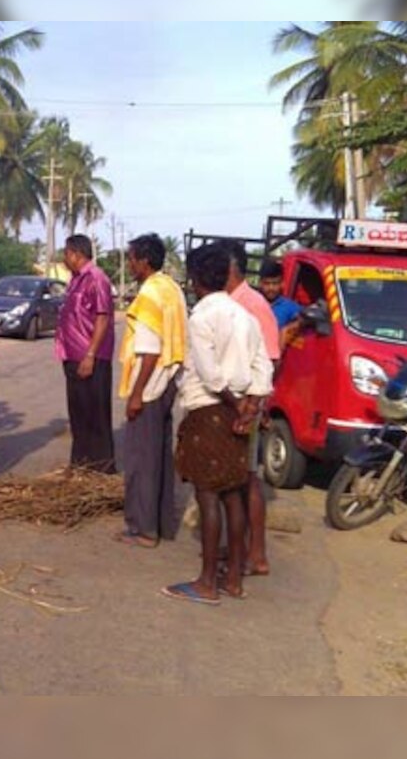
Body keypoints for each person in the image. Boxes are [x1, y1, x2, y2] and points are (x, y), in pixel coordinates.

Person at [163, 243, 272, 605]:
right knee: (233, 494)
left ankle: (208, 582)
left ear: (195, 280)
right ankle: (234, 580)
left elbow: (209, 374)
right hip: (239, 412)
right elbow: (263, 367)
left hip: (211, 410)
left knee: (208, 494)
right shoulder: (246, 316)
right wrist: (250, 405)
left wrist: (237, 403)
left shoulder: (202, 317)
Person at [115, 233, 188, 547]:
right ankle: (161, 523)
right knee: (159, 457)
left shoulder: (148, 295)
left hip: (151, 385)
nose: (129, 264)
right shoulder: (171, 288)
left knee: (141, 460)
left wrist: (136, 394)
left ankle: (143, 529)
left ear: (144, 261)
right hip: (170, 382)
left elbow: (149, 350)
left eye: (131, 258)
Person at [222, 240, 279, 576]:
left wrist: (256, 405)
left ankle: (255, 554)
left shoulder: (253, 305)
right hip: (234, 403)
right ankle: (240, 547)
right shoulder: (231, 302)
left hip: (247, 404)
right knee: (237, 479)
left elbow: (272, 358)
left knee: (247, 479)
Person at [56, 234, 116, 474]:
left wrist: (90, 354)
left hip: (91, 358)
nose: (64, 258)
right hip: (72, 356)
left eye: (66, 253)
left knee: (95, 416)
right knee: (79, 416)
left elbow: (103, 317)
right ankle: (81, 465)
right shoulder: (75, 280)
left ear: (76, 254)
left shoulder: (96, 278)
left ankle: (101, 469)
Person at [258, 257, 301, 348]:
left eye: (275, 283)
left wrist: (289, 328)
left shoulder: (289, 307)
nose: (271, 288)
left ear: (282, 284)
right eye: (267, 283)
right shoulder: (252, 302)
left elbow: (305, 317)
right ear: (260, 283)